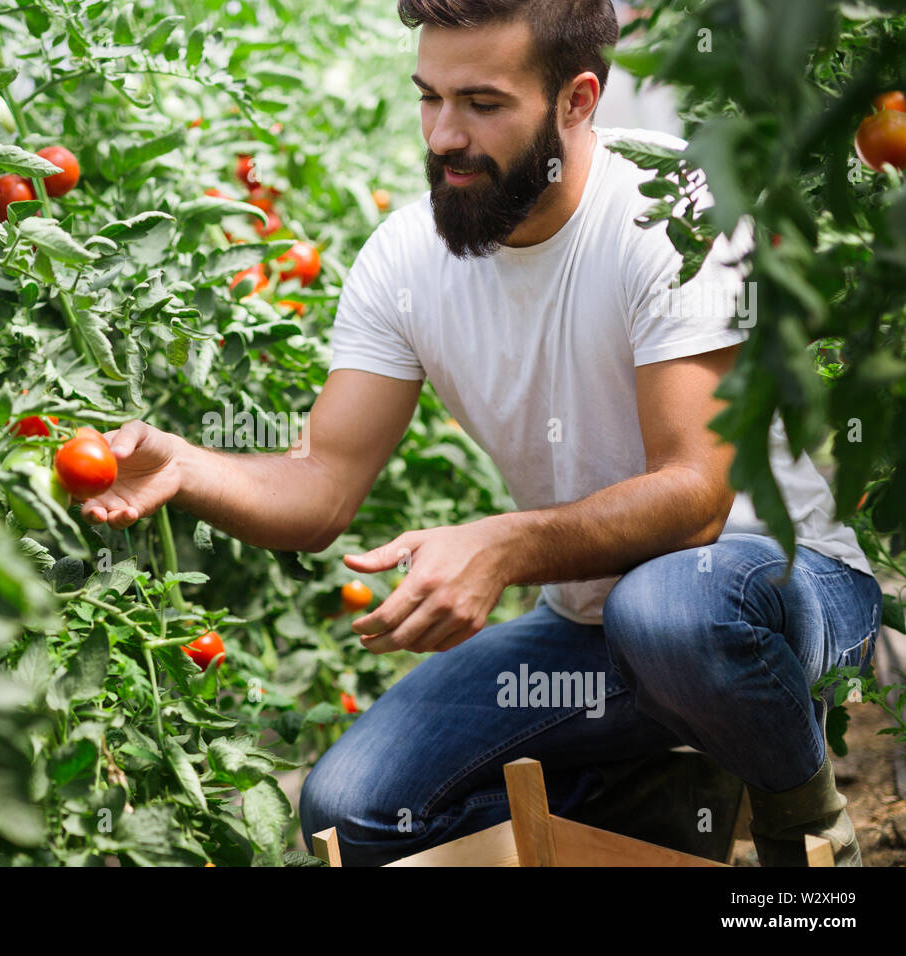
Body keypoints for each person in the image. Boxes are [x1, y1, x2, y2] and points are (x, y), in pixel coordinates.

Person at [76, 0, 883, 866]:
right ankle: (658, 808)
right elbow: (320, 484)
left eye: (483, 105)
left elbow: (694, 500)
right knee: (348, 813)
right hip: (594, 633)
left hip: (775, 595)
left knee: (673, 611)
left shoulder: (674, 216)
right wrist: (186, 468)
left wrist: (501, 546)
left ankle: (802, 820)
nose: (444, 136)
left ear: (577, 100)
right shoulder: (405, 260)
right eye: (431, 97)